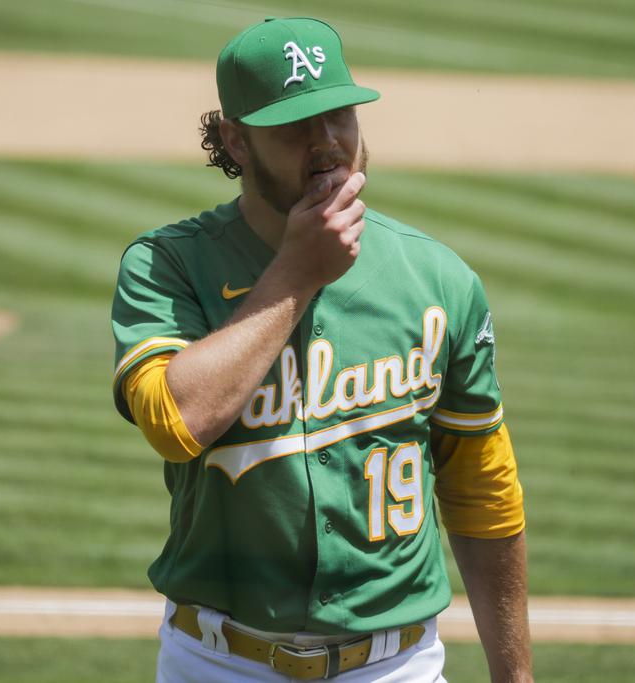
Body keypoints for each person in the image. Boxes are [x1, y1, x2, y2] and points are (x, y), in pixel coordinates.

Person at [111, 16, 532, 683]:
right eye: (295, 124)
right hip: (220, 665)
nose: (327, 142)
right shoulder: (167, 267)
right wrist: (295, 274)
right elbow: (176, 421)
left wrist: (515, 676)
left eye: (339, 114)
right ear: (236, 140)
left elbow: (481, 486)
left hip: (396, 667)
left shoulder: (438, 279)